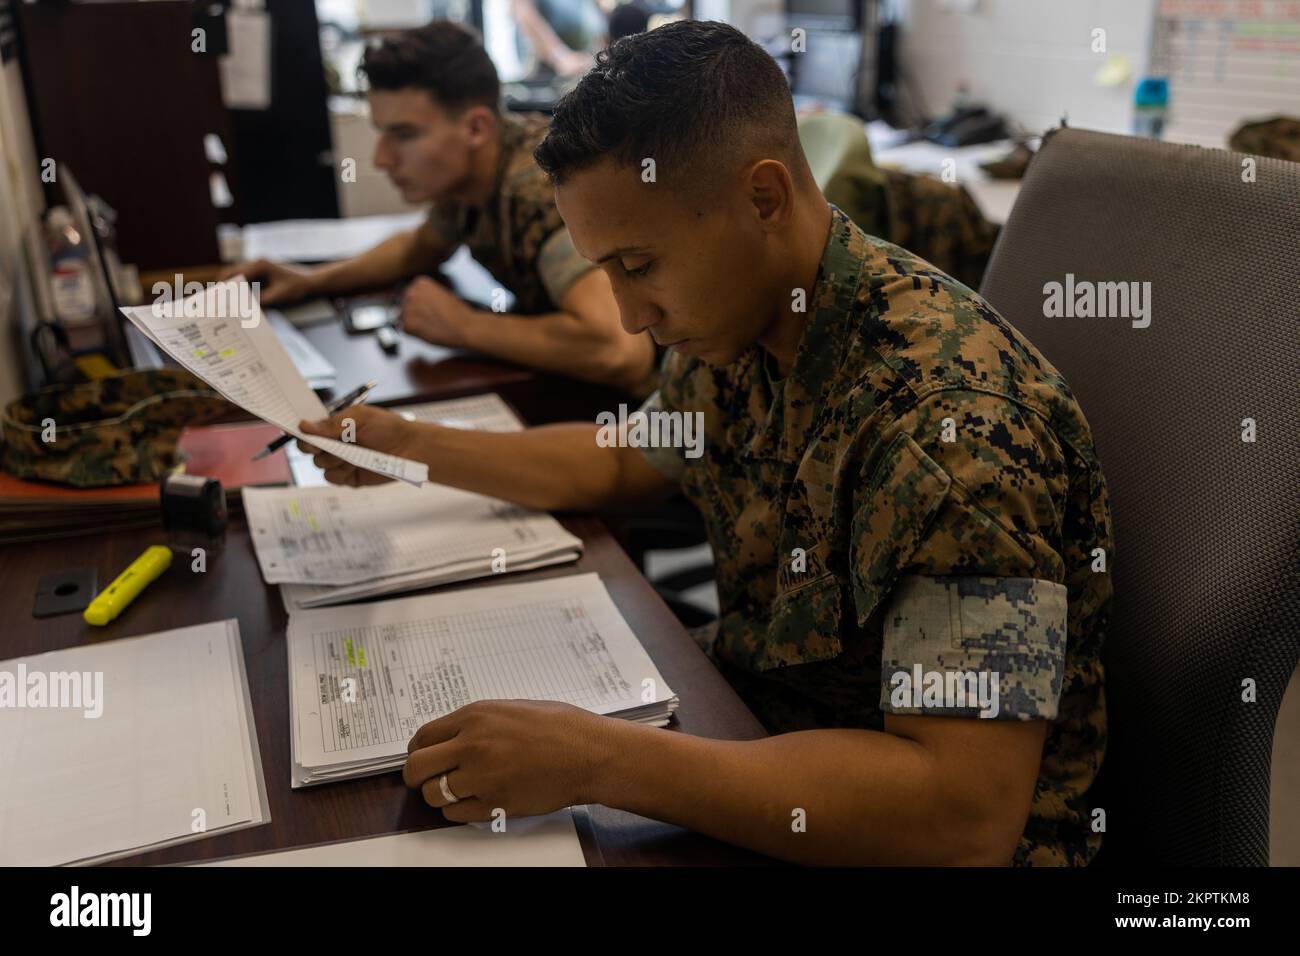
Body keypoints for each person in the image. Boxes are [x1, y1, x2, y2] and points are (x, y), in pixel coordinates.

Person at [297, 20, 1111, 866]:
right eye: (605, 269)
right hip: (767, 741)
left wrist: (600, 759)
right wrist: (403, 443)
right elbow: (625, 457)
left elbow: (960, 818)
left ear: (763, 199)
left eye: (640, 266)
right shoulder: (748, 321)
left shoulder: (947, 429)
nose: (626, 317)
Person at [225, 20, 655, 395]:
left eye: (404, 135)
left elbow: (619, 351)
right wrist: (309, 281)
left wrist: (463, 326)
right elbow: (418, 248)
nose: (381, 159)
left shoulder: (537, 190)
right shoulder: (469, 179)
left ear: (475, 127)